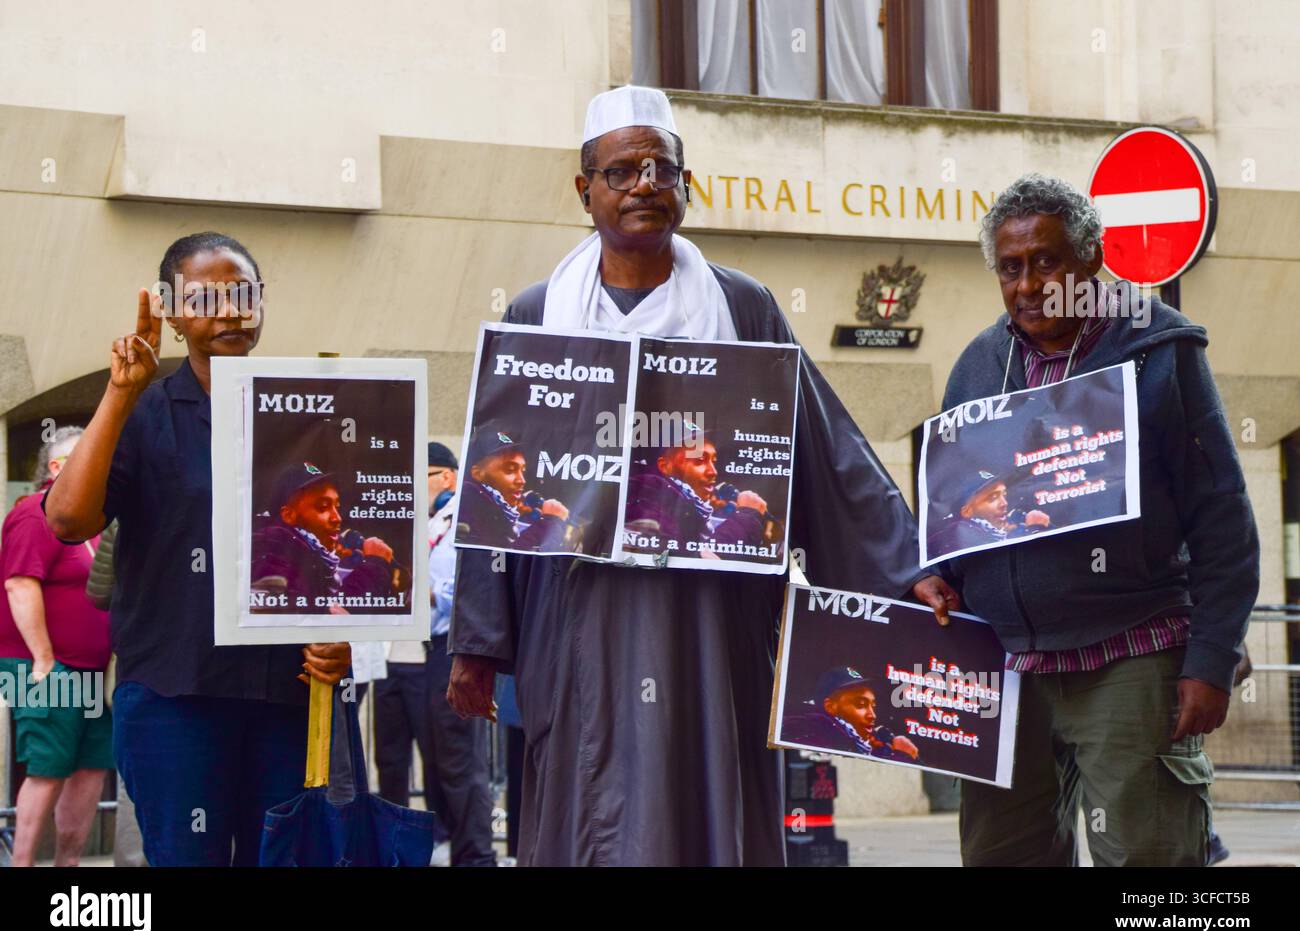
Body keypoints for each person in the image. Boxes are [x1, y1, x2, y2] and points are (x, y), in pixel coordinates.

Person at [447, 87, 958, 866]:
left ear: (687, 183)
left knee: (710, 783)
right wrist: (477, 642)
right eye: (621, 171)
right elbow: (492, 486)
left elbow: (823, 452)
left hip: (712, 614)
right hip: (577, 616)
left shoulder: (742, 307)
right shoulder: (536, 314)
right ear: (584, 189)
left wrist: (907, 567)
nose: (644, 184)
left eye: (662, 168)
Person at [944, 174, 1259, 867]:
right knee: (1002, 854)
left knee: (1146, 862)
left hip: (1130, 654)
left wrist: (1209, 658)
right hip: (1006, 664)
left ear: (1093, 260)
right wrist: (937, 574)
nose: (1029, 285)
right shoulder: (977, 365)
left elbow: (1223, 519)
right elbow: (955, 508)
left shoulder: (1160, 353)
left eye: (1047, 261)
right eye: (1011, 267)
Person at [42, 232, 352, 866]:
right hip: (174, 701)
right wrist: (120, 393)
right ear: (172, 312)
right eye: (207, 298)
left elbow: (344, 551)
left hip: (288, 696)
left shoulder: (312, 414)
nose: (231, 311)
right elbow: (69, 520)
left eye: (244, 294)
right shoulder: (142, 411)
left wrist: (347, 632)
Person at [0, 427, 112, 866]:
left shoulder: (93, 519)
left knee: (89, 769)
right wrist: (45, 660)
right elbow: (19, 584)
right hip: (48, 668)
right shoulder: (35, 512)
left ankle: (69, 869)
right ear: (56, 468)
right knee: (47, 770)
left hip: (93, 674)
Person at [425, 441, 497, 865]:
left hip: (455, 645)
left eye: (423, 474)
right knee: (442, 760)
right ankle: (458, 847)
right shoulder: (431, 521)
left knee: (462, 761)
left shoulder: (461, 520)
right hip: (431, 647)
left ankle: (477, 856)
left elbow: (463, 592)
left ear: (446, 476)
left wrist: (417, 591)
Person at [249, 463, 401, 614]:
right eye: (323, 507)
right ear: (289, 515)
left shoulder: (306, 556)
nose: (338, 518)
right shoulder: (270, 548)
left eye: (337, 506)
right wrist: (375, 565)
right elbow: (319, 619)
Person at [624, 429, 768, 553]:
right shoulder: (645, 503)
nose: (713, 472)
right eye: (699, 461)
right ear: (665, 465)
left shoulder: (689, 513)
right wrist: (747, 517)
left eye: (714, 461)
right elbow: (692, 562)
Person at [457, 432, 571, 550]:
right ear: (477, 473)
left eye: (523, 471)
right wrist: (550, 522)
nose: (521, 480)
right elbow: (503, 562)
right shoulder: (468, 508)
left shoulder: (491, 509)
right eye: (510, 469)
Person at [782, 668, 918, 761]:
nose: (872, 715)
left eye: (873, 706)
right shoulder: (817, 728)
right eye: (860, 704)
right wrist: (897, 754)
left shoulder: (857, 739)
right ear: (830, 707)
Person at [926, 470, 1050, 555]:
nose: (1004, 503)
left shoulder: (998, 531)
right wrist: (1035, 529)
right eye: (992, 498)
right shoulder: (956, 536)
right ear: (967, 511)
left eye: (1004, 495)